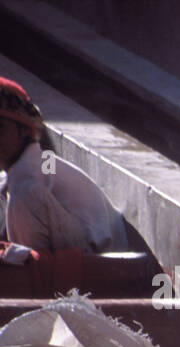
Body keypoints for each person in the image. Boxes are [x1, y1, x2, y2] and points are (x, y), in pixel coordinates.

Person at [0, 77, 129, 254]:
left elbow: (33, 188)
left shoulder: (33, 173)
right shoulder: (33, 164)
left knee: (25, 195)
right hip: (79, 248)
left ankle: (34, 276)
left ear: (24, 130)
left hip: (101, 256)